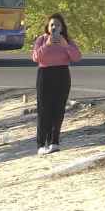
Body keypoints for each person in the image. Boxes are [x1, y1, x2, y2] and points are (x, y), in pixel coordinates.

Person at [31, 13, 82, 155]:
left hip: (62, 75)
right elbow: (36, 57)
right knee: (44, 110)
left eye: (57, 25)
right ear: (47, 27)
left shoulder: (67, 41)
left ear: (62, 27)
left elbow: (77, 57)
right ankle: (41, 144)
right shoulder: (41, 40)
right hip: (45, 75)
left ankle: (54, 142)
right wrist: (47, 45)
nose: (54, 27)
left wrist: (66, 45)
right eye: (52, 25)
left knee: (58, 110)